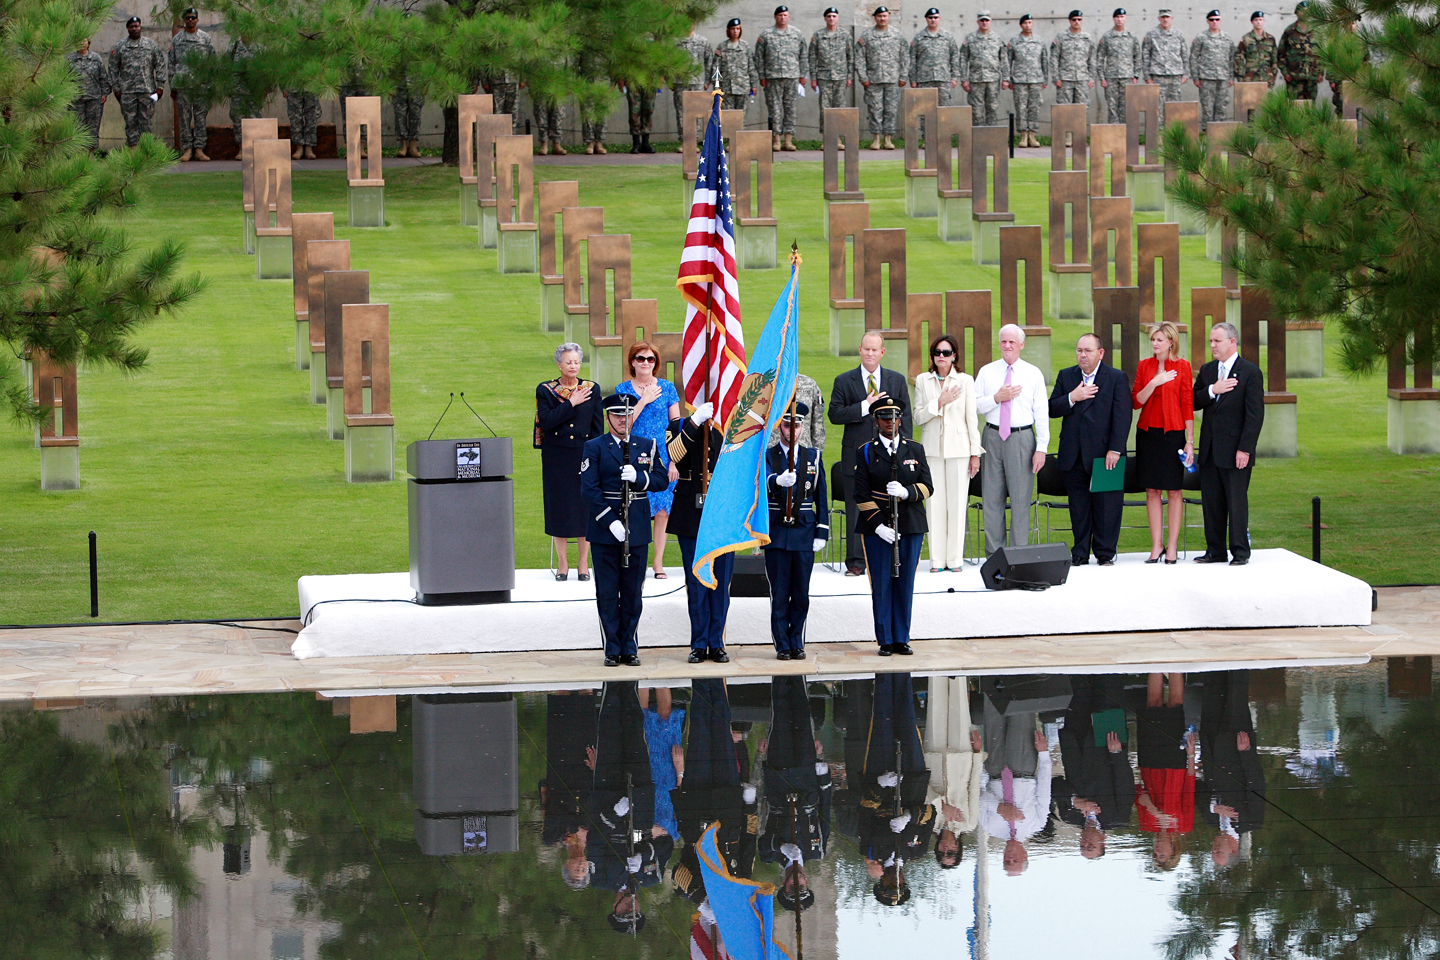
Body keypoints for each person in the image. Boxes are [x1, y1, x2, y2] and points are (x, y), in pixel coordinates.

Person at [580, 394, 668, 667]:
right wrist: (610, 521)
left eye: (627, 415)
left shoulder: (646, 445)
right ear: (608, 418)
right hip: (606, 529)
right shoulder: (594, 447)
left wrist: (640, 478)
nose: (622, 420)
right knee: (607, 592)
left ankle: (629, 646)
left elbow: (662, 479)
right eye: (617, 415)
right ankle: (611, 648)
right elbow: (589, 489)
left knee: (632, 592)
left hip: (638, 528)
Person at [586, 681, 675, 933]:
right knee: (635, 730)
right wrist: (645, 855)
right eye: (634, 912)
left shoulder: (600, 879)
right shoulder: (651, 877)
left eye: (625, 912)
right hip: (640, 800)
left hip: (608, 795)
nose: (631, 907)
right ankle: (631, 684)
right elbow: (666, 844)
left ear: (614, 908)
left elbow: (594, 840)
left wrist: (615, 814)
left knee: (611, 730)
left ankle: (612, 684)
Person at [854, 398, 932, 656]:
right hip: (877, 527)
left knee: (905, 582)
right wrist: (878, 526)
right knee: (882, 582)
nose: (890, 422)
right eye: (884, 418)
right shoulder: (866, 451)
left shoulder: (915, 449)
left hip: (909, 523)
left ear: (900, 420)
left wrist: (906, 492)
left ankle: (902, 637)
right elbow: (861, 494)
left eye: (894, 418)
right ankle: (885, 639)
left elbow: (927, 486)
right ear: (876, 421)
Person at [669, 679, 757, 904]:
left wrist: (702, 899)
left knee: (699, 733)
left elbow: (678, 873)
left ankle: (699, 681)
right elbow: (749, 838)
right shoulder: (741, 881)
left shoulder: (694, 893)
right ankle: (716, 680)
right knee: (721, 731)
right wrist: (750, 805)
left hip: (695, 805)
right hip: (727, 801)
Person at [830, 331, 911, 576]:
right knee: (858, 507)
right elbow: (835, 414)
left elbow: (905, 420)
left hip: (889, 458)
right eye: (866, 349)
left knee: (889, 506)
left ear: (882, 352)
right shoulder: (845, 381)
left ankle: (890, 557)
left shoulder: (896, 380)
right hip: (857, 457)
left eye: (875, 350)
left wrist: (903, 449)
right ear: (859, 349)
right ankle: (856, 562)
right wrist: (865, 406)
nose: (870, 353)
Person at [1048, 333, 1131, 567]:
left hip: (1106, 455)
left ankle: (1105, 553)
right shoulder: (1067, 376)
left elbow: (1123, 417)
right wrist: (1072, 398)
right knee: (1079, 506)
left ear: (1100, 353)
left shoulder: (1116, 378)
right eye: (1079, 351)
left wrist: (1115, 448)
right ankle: (1080, 552)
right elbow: (1052, 408)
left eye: (1088, 351)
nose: (1082, 355)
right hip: (1073, 454)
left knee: (1107, 505)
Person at [858, 673, 934, 904]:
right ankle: (902, 672)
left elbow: (865, 810)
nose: (896, 880)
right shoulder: (917, 851)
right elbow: (930, 815)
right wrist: (910, 817)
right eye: (900, 884)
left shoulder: (870, 851)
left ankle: (882, 674)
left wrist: (881, 786)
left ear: (881, 881)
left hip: (880, 774)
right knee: (907, 720)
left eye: (890, 884)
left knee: (882, 718)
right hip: (913, 778)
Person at [974, 324, 1050, 557]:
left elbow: (1041, 412)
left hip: (1021, 438)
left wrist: (1041, 448)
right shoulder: (987, 372)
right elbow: (974, 406)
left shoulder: (1032, 373)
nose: (1007, 346)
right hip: (992, 437)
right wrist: (997, 398)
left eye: (1012, 342)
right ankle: (995, 555)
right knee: (992, 498)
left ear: (1021, 345)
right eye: (1004, 341)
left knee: (1020, 499)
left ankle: (1019, 555)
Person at [666, 400, 732, 663]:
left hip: (723, 512)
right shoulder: (679, 426)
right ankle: (698, 643)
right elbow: (675, 454)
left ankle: (716, 642)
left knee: (721, 582)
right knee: (696, 582)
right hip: (690, 512)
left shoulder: (729, 426)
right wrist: (694, 423)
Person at [759, 675, 833, 911]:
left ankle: (780, 674)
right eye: (802, 886)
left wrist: (781, 847)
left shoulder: (769, 854)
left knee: (780, 716)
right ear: (807, 881)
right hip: (806, 778)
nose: (797, 882)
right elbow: (825, 809)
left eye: (793, 888)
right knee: (802, 715)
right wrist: (823, 774)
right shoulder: (817, 849)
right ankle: (797, 673)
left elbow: (762, 841)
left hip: (778, 780)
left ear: (783, 883)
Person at [1193, 322, 1264, 565]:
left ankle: (1240, 552)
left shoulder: (1250, 372)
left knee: (1236, 502)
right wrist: (1213, 389)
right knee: (1211, 502)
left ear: (1232, 342)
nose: (1212, 345)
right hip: (1210, 450)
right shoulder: (1208, 370)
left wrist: (1245, 448)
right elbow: (1193, 400)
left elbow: (1254, 415)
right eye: (1211, 341)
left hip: (1236, 451)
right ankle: (1215, 550)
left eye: (1217, 341)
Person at [764, 402, 828, 660]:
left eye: (797, 425)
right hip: (777, 532)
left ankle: (797, 640)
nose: (792, 431)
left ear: (802, 428)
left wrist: (821, 531)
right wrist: (776, 481)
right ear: (781, 425)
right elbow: (760, 480)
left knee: (801, 592)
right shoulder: (769, 455)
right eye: (788, 425)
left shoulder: (812, 456)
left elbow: (821, 496)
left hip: (804, 530)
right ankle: (782, 644)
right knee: (780, 593)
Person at [913, 334, 981, 572]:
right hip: (931, 451)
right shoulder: (923, 380)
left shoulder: (965, 381)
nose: (941, 357)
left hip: (960, 450)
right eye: (937, 353)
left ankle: (955, 560)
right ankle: (937, 560)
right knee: (934, 504)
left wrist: (975, 453)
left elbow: (971, 419)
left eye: (946, 352)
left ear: (954, 356)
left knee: (957, 503)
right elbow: (918, 417)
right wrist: (938, 402)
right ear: (932, 356)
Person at [535, 343, 602, 581]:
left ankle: (583, 563)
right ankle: (563, 564)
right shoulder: (546, 390)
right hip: (557, 457)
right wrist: (570, 403)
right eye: (568, 362)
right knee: (559, 508)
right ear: (559, 365)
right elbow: (547, 421)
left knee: (584, 509)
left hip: (583, 456)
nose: (573, 366)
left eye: (576, 362)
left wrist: (597, 457)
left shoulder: (592, 389)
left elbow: (596, 427)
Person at [616, 340, 681, 577]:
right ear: (633, 362)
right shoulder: (623, 389)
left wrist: (675, 460)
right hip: (635, 454)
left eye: (650, 359)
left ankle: (658, 562)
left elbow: (676, 427)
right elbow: (624, 424)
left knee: (663, 511)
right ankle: (637, 560)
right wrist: (643, 400)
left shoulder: (667, 387)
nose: (646, 363)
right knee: (636, 508)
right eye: (641, 358)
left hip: (664, 455)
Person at [1132, 322, 1195, 564]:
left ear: (1171, 342)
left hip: (1173, 434)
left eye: (1159, 340)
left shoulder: (1183, 367)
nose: (1155, 344)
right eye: (1152, 340)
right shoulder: (1144, 366)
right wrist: (1155, 382)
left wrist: (1190, 441)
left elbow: (1187, 405)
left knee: (1174, 490)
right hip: (1148, 433)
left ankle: (1171, 546)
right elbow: (1137, 401)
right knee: (1151, 489)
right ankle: (1156, 544)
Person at [1053, 674, 1134, 856]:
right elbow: (1124, 783)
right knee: (1108, 688)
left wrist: (1074, 800)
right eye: (1091, 847)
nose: (1086, 843)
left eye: (1082, 846)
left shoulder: (1069, 815)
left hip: (1075, 743)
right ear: (1103, 841)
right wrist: (1117, 753)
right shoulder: (1117, 819)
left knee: (1079, 688)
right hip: (1106, 744)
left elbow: (1055, 786)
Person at [977, 685, 1051, 875]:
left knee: (992, 713)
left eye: (1007, 861)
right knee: (1021, 711)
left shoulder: (990, 827)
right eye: (1015, 860)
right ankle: (1021, 676)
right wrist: (1043, 755)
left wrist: (999, 808)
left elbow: (975, 798)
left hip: (995, 768)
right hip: (1023, 766)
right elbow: (1044, 789)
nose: (1010, 857)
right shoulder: (1037, 823)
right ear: (1025, 855)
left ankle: (989, 676)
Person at [1198, 671, 1265, 867]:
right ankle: (1240, 654)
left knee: (1212, 694)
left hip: (1211, 746)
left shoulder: (1211, 819)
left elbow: (1198, 792)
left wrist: (1212, 807)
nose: (1214, 846)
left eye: (1213, 850)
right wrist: (1246, 753)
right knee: (1236, 694)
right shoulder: (1251, 821)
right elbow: (1256, 785)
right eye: (1219, 850)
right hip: (1236, 747)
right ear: (1233, 850)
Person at [1135, 672, 1195, 871]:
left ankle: (1155, 664)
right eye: (1162, 854)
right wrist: (1191, 755)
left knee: (1153, 704)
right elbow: (1189, 788)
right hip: (1174, 766)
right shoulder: (1184, 825)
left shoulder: (1146, 824)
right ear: (1173, 850)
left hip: (1150, 765)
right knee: (1174, 705)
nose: (1158, 850)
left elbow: (1138, 793)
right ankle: (1174, 664)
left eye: (1155, 854)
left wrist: (1154, 811)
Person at [923, 676, 984, 868]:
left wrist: (941, 807)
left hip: (934, 759)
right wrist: (976, 753)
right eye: (951, 852)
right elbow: (974, 787)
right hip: (962, 759)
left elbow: (922, 792)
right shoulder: (968, 823)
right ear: (958, 848)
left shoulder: (929, 824)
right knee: (959, 703)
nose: (946, 848)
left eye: (942, 853)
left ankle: (936, 667)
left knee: (936, 704)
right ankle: (958, 667)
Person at [541, 690, 596, 888]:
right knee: (585, 719)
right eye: (583, 870)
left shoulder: (553, 838)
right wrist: (595, 771)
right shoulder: (595, 839)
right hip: (584, 772)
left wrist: (576, 828)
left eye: (576, 869)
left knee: (561, 724)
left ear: (566, 865)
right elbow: (598, 802)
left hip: (560, 774)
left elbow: (555, 813)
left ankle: (558, 684)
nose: (581, 866)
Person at [753, 5, 809, 152]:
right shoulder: (766, 35)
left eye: (785, 15)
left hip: (792, 77)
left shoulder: (797, 34)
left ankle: (788, 140)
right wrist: (762, 76)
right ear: (775, 17)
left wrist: (803, 74)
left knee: (790, 109)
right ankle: (776, 140)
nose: (782, 17)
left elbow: (803, 55)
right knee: (774, 109)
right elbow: (759, 57)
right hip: (772, 77)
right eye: (780, 15)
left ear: (789, 17)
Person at [856, 5, 910, 149]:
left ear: (889, 17)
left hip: (893, 80)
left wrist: (903, 76)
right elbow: (859, 58)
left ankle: (888, 139)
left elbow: (905, 56)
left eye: (885, 16)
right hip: (873, 80)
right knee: (874, 110)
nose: (882, 18)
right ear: (875, 17)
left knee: (891, 110)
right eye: (879, 16)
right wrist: (863, 78)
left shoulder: (897, 34)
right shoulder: (866, 35)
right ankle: (876, 139)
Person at [110, 17, 166, 149]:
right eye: (131, 27)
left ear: (140, 27)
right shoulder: (119, 47)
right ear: (128, 29)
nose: (134, 28)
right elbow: (113, 69)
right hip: (127, 92)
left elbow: (160, 65)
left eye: (137, 26)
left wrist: (160, 86)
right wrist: (116, 89)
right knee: (130, 123)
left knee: (146, 123)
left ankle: (147, 151)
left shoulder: (150, 45)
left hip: (147, 91)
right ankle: (133, 152)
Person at [168, 8, 214, 162]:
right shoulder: (177, 40)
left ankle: (200, 150)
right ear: (184, 20)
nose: (190, 20)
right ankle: (187, 149)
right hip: (183, 86)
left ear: (197, 20)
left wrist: (211, 84)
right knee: (185, 119)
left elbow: (212, 61)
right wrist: (172, 86)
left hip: (201, 85)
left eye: (193, 17)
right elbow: (171, 64)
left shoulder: (205, 38)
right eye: (187, 17)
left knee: (200, 118)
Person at [810, 7, 856, 134]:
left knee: (840, 108)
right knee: (825, 108)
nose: (831, 18)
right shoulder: (818, 35)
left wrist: (849, 76)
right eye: (829, 16)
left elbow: (850, 57)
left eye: (834, 16)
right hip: (823, 77)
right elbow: (812, 58)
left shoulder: (845, 35)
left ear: (838, 18)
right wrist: (813, 78)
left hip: (840, 77)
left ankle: (839, 137)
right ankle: (827, 138)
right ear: (825, 18)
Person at [912, 7, 962, 122]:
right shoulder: (919, 38)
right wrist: (913, 79)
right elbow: (913, 59)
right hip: (924, 80)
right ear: (926, 19)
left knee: (945, 109)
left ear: (939, 19)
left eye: (935, 18)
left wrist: (954, 77)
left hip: (943, 79)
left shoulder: (947, 37)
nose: (933, 20)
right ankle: (927, 138)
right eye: (930, 18)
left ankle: (944, 138)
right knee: (925, 110)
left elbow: (954, 57)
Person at [1007, 14, 1050, 147]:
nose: (1028, 25)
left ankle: (1032, 135)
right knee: (1020, 108)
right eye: (1025, 23)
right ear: (1021, 25)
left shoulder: (1039, 40)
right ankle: (1023, 136)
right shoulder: (1014, 41)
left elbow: (1044, 60)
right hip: (1019, 80)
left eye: (1030, 22)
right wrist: (1009, 79)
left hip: (1036, 79)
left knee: (1034, 107)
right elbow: (1007, 61)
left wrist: (1045, 79)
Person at [1192, 10, 1236, 132]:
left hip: (1223, 78)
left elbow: (1232, 59)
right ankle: (1207, 136)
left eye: (1217, 19)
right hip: (1206, 78)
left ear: (1220, 21)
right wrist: (1195, 77)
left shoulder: (1227, 38)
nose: (1214, 22)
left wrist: (1231, 77)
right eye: (1211, 19)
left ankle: (1220, 135)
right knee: (1207, 108)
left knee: (1221, 107)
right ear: (1207, 21)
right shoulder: (1201, 37)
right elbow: (1194, 57)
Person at [672, 24, 713, 155]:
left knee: (697, 112)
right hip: (680, 82)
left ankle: (694, 142)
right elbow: (669, 62)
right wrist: (670, 79)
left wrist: (707, 81)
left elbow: (709, 62)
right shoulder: (675, 42)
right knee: (681, 112)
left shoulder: (703, 41)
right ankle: (684, 142)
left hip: (697, 82)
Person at [1142, 9, 1188, 123]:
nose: (1165, 19)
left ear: (1171, 18)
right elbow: (1145, 55)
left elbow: (1184, 54)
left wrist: (1186, 74)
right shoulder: (1151, 34)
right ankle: (1160, 136)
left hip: (1175, 75)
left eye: (1167, 17)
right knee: (1158, 107)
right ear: (1159, 19)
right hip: (1158, 75)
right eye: (1163, 17)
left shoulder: (1178, 34)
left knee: (1175, 106)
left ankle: (1174, 135)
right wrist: (1147, 76)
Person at [960, 11, 1006, 126]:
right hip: (976, 80)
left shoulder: (997, 39)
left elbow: (1004, 60)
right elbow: (963, 59)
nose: (984, 23)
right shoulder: (970, 38)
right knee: (976, 110)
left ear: (990, 22)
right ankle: (978, 140)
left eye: (987, 20)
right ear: (977, 22)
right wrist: (964, 79)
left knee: (992, 109)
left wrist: (1006, 78)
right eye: (982, 20)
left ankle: (991, 139)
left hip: (993, 80)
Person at [1097, 8, 1141, 124]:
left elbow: (1137, 56)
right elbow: (1100, 58)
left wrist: (1136, 75)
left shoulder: (1132, 37)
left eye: (1122, 17)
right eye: (1117, 17)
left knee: (1126, 107)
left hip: (1127, 77)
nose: (1119, 19)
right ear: (1113, 19)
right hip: (1111, 78)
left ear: (1125, 18)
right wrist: (1102, 78)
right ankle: (1114, 137)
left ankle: (1125, 136)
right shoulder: (1107, 37)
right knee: (1112, 108)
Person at [67, 39, 110, 151]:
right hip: (76, 100)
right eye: (79, 40)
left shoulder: (96, 58)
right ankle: (79, 155)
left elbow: (103, 78)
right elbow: (65, 79)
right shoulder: (70, 60)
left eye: (84, 40)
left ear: (89, 43)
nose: (81, 43)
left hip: (94, 99)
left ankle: (91, 155)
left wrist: (104, 93)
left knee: (93, 128)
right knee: (77, 128)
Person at [1050, 10, 1097, 112]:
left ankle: (1080, 129)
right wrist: (1056, 78)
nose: (1077, 22)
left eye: (1079, 19)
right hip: (1065, 80)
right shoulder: (1061, 37)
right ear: (1070, 21)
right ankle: (1065, 128)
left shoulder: (1087, 38)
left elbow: (1092, 59)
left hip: (1082, 79)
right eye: (1074, 19)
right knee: (1064, 109)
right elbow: (1054, 58)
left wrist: (1091, 78)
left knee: (1082, 110)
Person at [768, 372, 825, 449]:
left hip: (803, 450)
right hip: (771, 452)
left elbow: (817, 423)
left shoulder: (809, 384)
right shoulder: (764, 384)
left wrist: (817, 453)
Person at [715, 19, 758, 113]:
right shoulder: (722, 47)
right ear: (728, 31)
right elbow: (716, 68)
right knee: (727, 116)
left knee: (741, 116)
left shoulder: (746, 47)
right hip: (727, 88)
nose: (735, 31)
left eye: (738, 29)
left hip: (743, 87)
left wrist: (754, 85)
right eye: (733, 29)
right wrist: (716, 87)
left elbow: (751, 67)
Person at [1279, 1, 1320, 100]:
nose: (1304, 13)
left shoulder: (1316, 30)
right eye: (1302, 11)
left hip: (1312, 76)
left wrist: (1321, 72)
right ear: (1296, 13)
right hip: (1294, 77)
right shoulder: (1289, 31)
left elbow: (1323, 54)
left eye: (1307, 11)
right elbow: (1281, 54)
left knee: (1311, 107)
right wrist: (1285, 73)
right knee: (1295, 106)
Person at [1235, 11, 1279, 89]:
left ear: (1263, 21)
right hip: (1250, 79)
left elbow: (1275, 58)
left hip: (1267, 79)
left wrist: (1273, 75)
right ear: (1252, 22)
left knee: (1266, 101)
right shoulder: (1246, 39)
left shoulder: (1270, 39)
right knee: (1250, 101)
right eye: (1256, 20)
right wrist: (1241, 77)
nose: (1258, 22)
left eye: (1260, 19)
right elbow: (1239, 58)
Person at [282, 87, 320, 160]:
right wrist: (283, 88)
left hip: (311, 88)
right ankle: (299, 148)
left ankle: (309, 148)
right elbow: (281, 75)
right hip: (293, 88)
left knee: (312, 118)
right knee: (295, 119)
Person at [393, 70, 425, 158]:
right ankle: (403, 145)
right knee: (400, 115)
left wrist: (426, 85)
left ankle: (413, 146)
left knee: (416, 115)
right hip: (399, 84)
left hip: (416, 84)